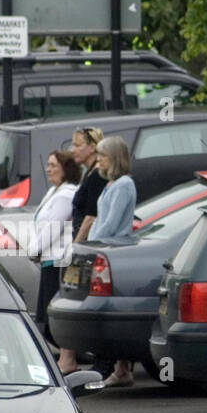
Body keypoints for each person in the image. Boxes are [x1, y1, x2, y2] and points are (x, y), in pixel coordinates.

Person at [89, 135, 137, 387]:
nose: (98, 161)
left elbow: (111, 222)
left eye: (103, 156)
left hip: (112, 248)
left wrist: (92, 242)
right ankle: (122, 368)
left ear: (114, 159)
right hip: (104, 245)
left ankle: (112, 367)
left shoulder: (123, 185)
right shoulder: (112, 184)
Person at [56, 126, 106, 374]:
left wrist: (76, 244)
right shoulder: (89, 173)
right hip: (83, 244)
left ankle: (68, 359)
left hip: (85, 246)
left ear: (93, 147)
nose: (72, 149)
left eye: (77, 145)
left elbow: (91, 215)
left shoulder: (97, 175)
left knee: (72, 298)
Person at [30, 149, 81, 354]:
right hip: (48, 259)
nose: (48, 169)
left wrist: (34, 250)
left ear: (65, 170)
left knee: (50, 317)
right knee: (44, 317)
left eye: (53, 166)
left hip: (58, 260)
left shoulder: (65, 195)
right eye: (48, 165)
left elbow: (53, 227)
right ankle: (67, 357)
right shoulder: (54, 192)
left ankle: (71, 356)